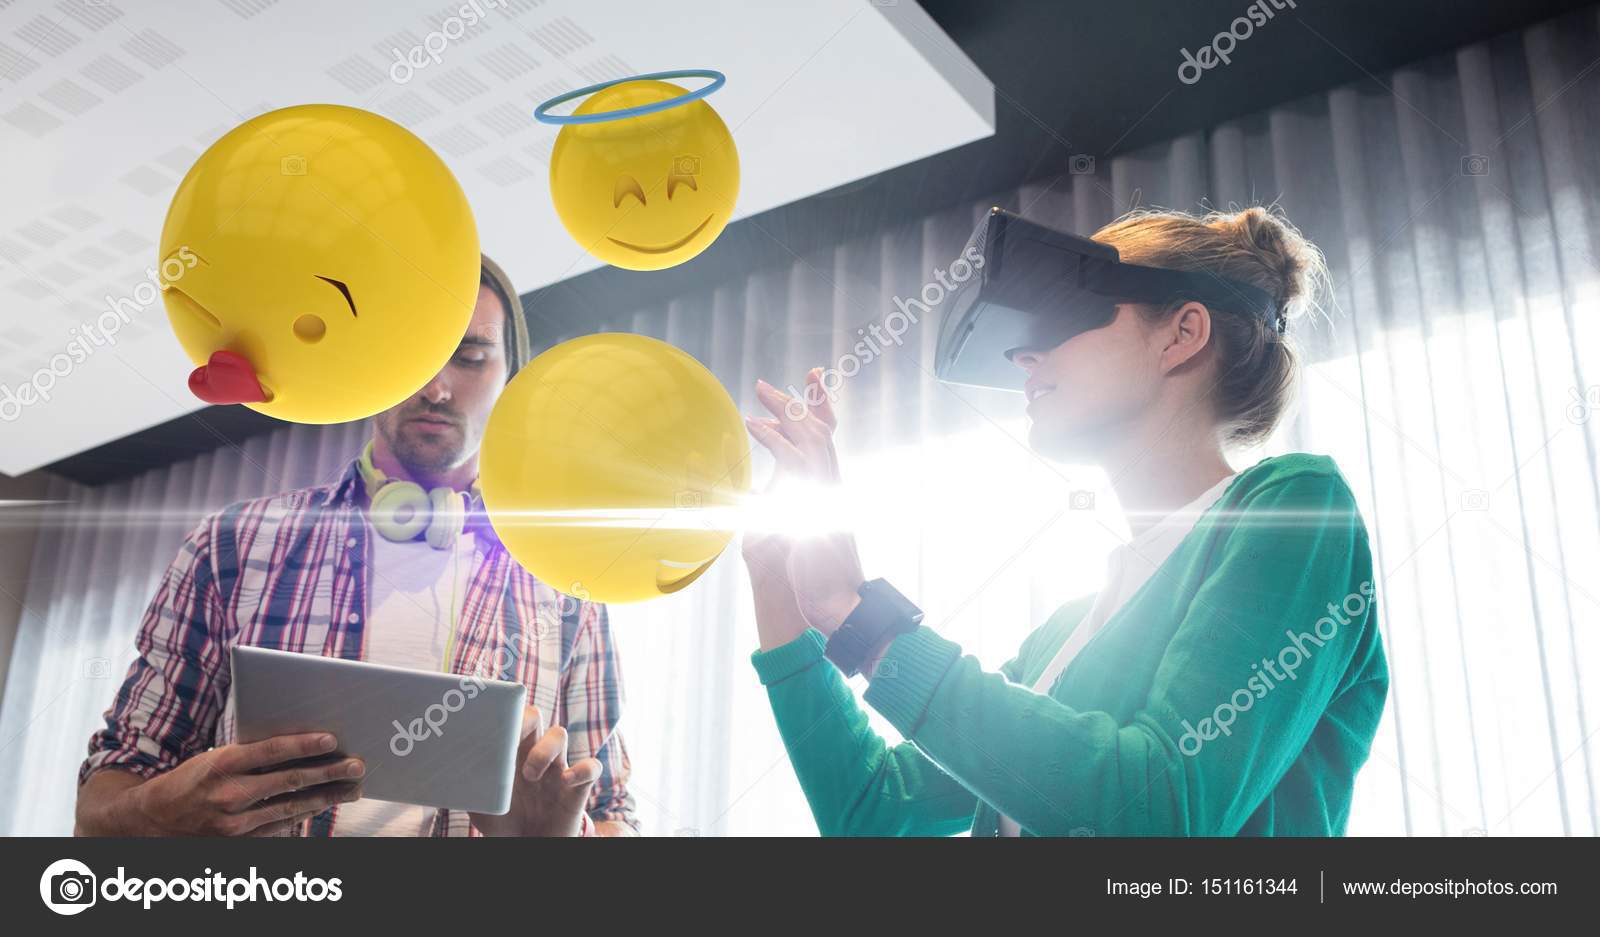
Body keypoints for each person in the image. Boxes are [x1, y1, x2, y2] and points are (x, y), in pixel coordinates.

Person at [741, 206, 1389, 836]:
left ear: (1182, 333)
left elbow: (1161, 810)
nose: (1024, 355)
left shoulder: (1298, 509)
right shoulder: (1063, 636)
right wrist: (778, 577)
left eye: (1067, 311)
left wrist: (864, 617)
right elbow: (875, 812)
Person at [75, 255, 638, 837]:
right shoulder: (233, 546)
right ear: (368, 360)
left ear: (510, 378)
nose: (437, 389)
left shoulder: (564, 580)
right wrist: (171, 814)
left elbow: (614, 815)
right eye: (411, 354)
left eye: (470, 358)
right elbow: (99, 812)